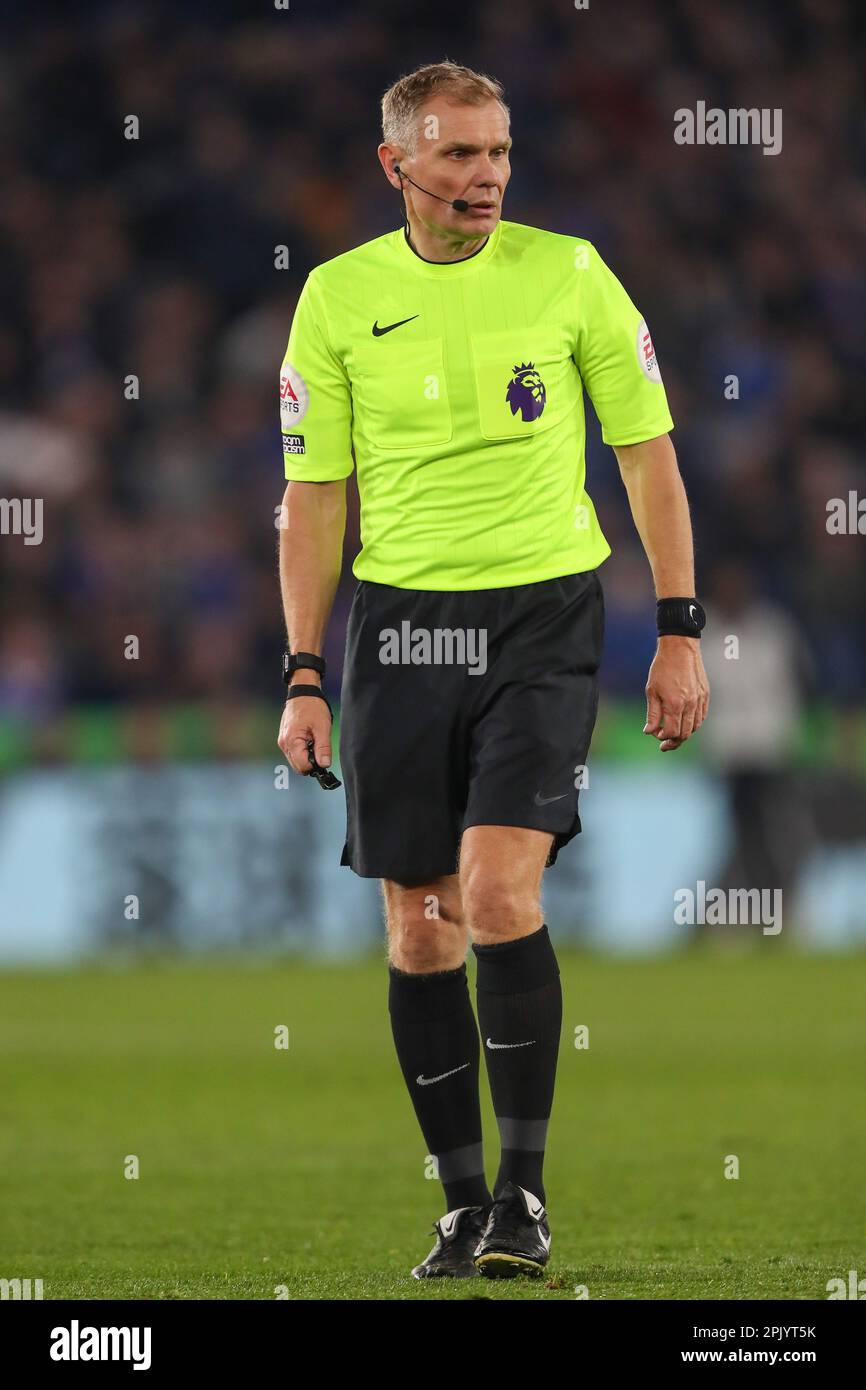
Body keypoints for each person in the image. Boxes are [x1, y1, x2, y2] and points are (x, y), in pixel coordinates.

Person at [276, 61, 709, 1279]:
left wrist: (679, 627)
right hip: (401, 626)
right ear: (395, 166)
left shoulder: (569, 272)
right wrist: (305, 671)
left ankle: (523, 1196)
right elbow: (313, 501)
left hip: (540, 615)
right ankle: (461, 1205)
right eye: (459, 155)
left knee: (498, 891)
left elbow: (648, 459)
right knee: (419, 929)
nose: (486, 176)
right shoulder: (335, 296)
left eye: (499, 152)